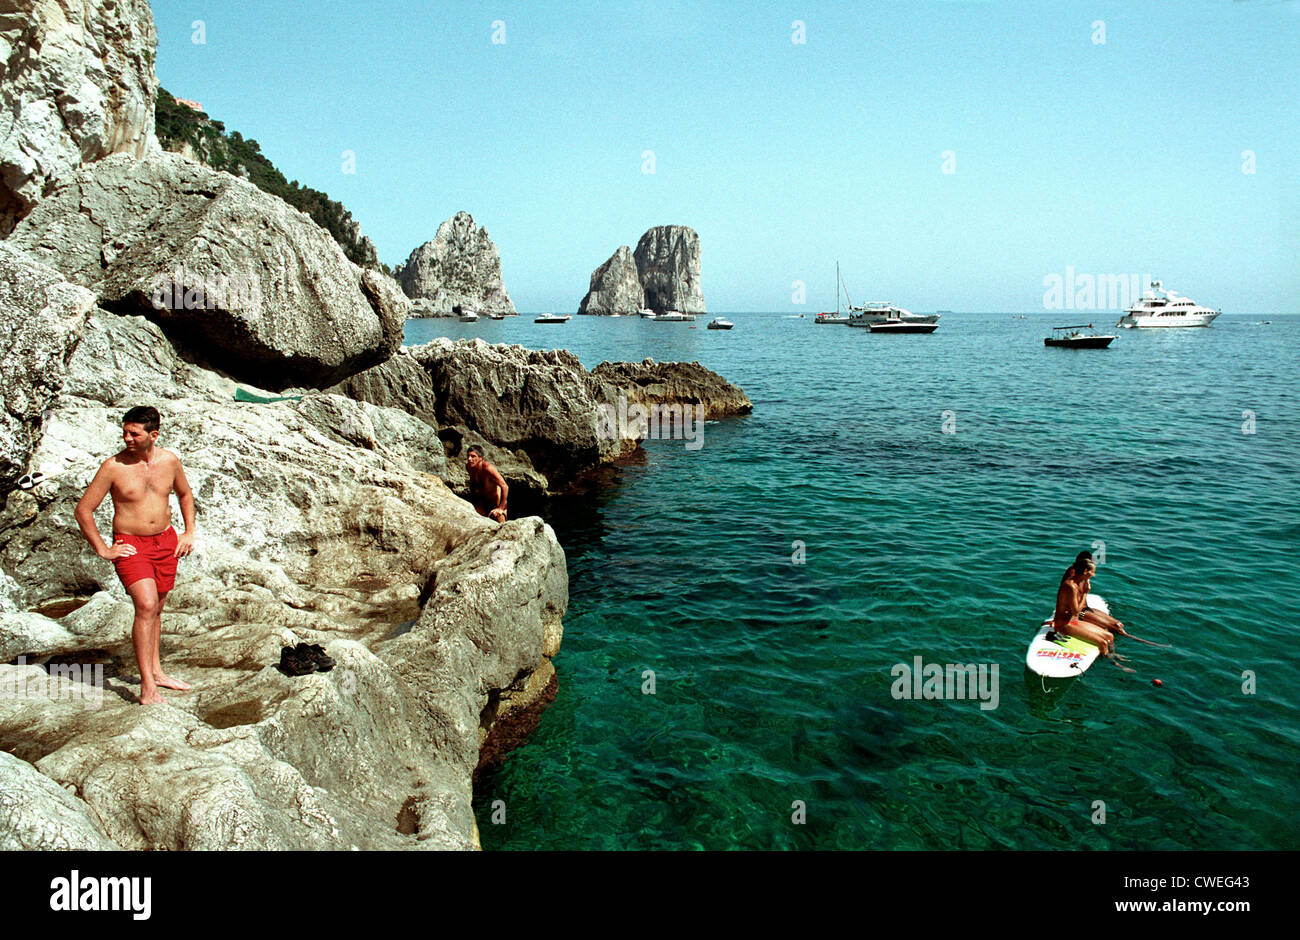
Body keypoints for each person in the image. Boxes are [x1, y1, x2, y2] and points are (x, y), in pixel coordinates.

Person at [75, 406, 196, 705]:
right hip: (130, 544)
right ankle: (147, 687)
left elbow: (184, 494)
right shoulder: (113, 467)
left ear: (153, 435)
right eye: (125, 432)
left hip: (166, 542)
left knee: (157, 609)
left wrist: (188, 532)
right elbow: (83, 510)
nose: (127, 438)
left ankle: (157, 672)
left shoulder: (169, 461)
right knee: (145, 604)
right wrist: (104, 549)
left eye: (134, 433)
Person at [1051, 551, 1123, 655]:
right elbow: (1075, 612)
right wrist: (1085, 593)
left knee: (1110, 636)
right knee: (1102, 643)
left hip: (1072, 621)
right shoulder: (1070, 586)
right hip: (1063, 624)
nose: (1093, 575)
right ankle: (1113, 662)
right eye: (1093, 572)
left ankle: (1114, 655)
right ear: (1085, 571)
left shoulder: (1078, 582)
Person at [465, 445, 508, 522]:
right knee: (476, 523)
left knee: (502, 527)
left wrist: (501, 508)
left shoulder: (488, 468)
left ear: (481, 458)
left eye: (473, 456)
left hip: (496, 503)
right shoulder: (469, 467)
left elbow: (505, 486)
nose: (469, 459)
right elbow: (472, 484)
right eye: (468, 456)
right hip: (483, 502)